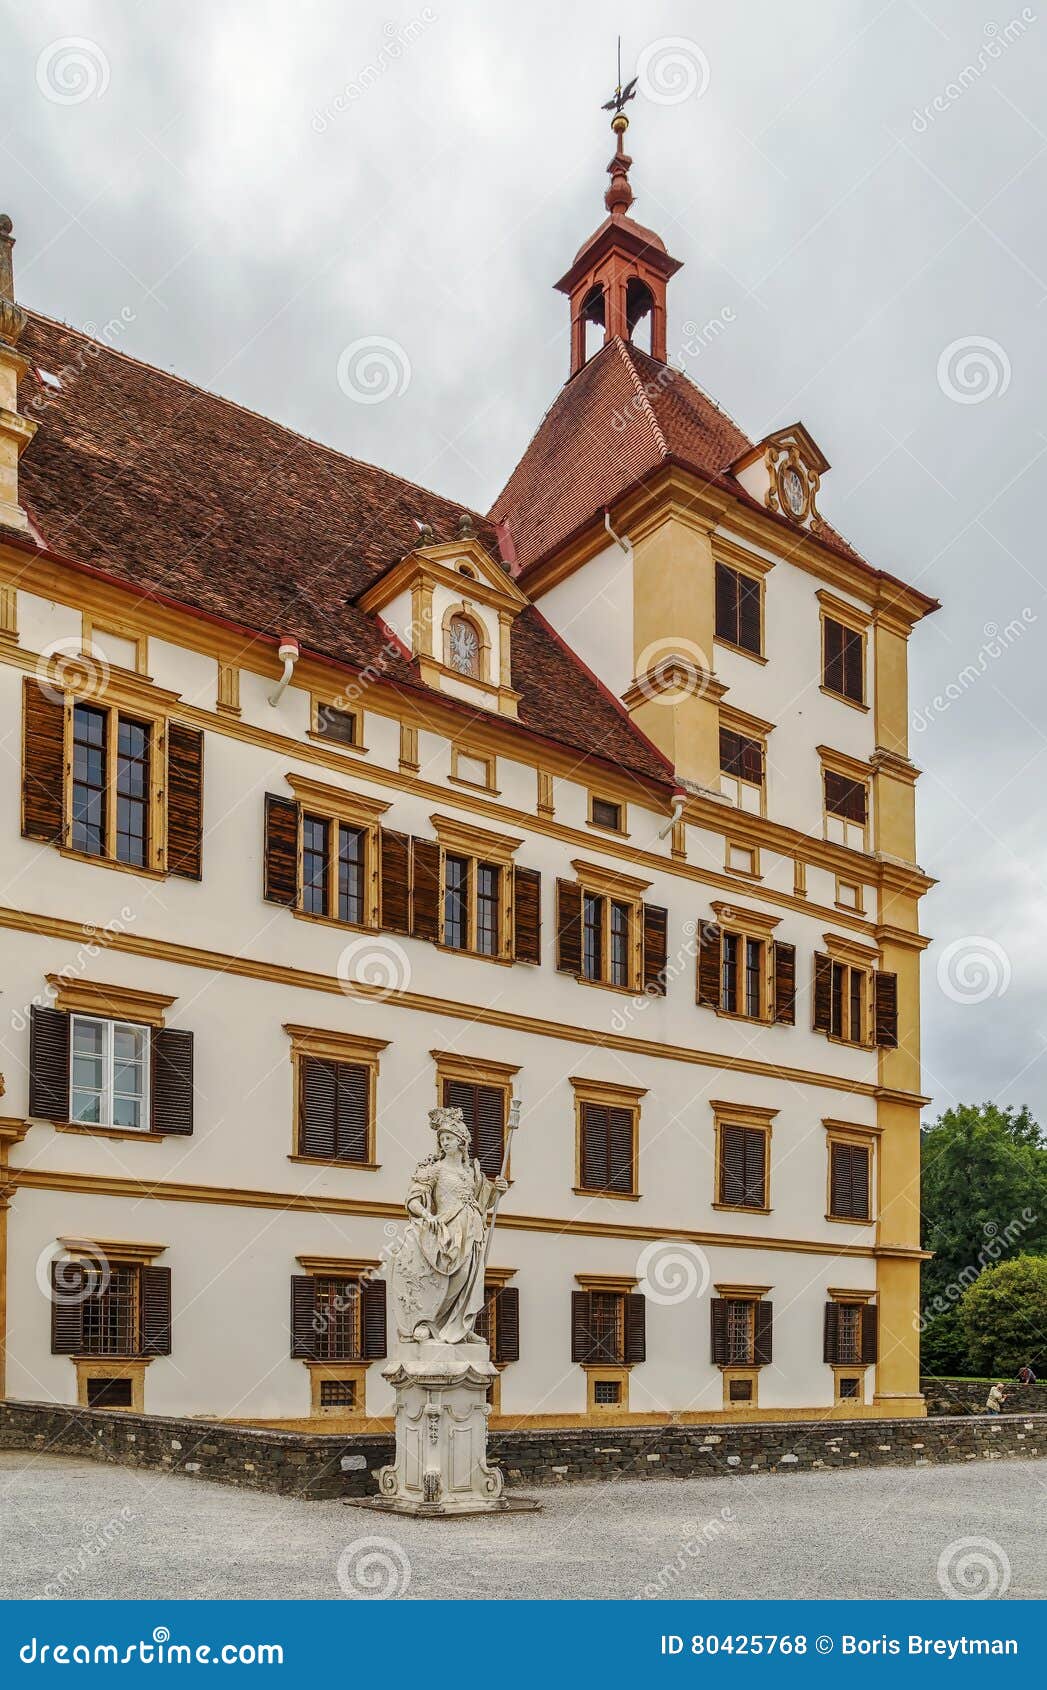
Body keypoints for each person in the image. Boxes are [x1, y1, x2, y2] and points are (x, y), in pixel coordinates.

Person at [389, 1106, 507, 1345]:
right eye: (442, 1139)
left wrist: (500, 1190)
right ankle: (431, 1321)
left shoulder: (472, 1171)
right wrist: (426, 1215)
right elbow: (413, 1199)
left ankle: (461, 1324)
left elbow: (484, 1199)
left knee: (470, 1276)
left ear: (461, 1141)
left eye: (449, 1138)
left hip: (472, 1229)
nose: (444, 1143)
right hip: (446, 1228)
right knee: (450, 1276)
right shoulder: (433, 1169)